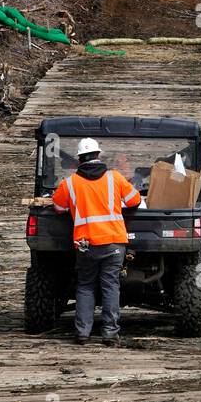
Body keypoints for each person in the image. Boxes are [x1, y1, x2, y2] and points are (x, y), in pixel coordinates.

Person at [51, 137, 142, 345]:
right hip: (114, 242)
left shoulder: (70, 183)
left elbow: (58, 207)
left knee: (85, 286)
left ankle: (82, 333)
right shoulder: (115, 178)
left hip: (86, 244)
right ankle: (110, 333)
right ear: (98, 156)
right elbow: (134, 200)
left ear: (79, 159)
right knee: (111, 286)